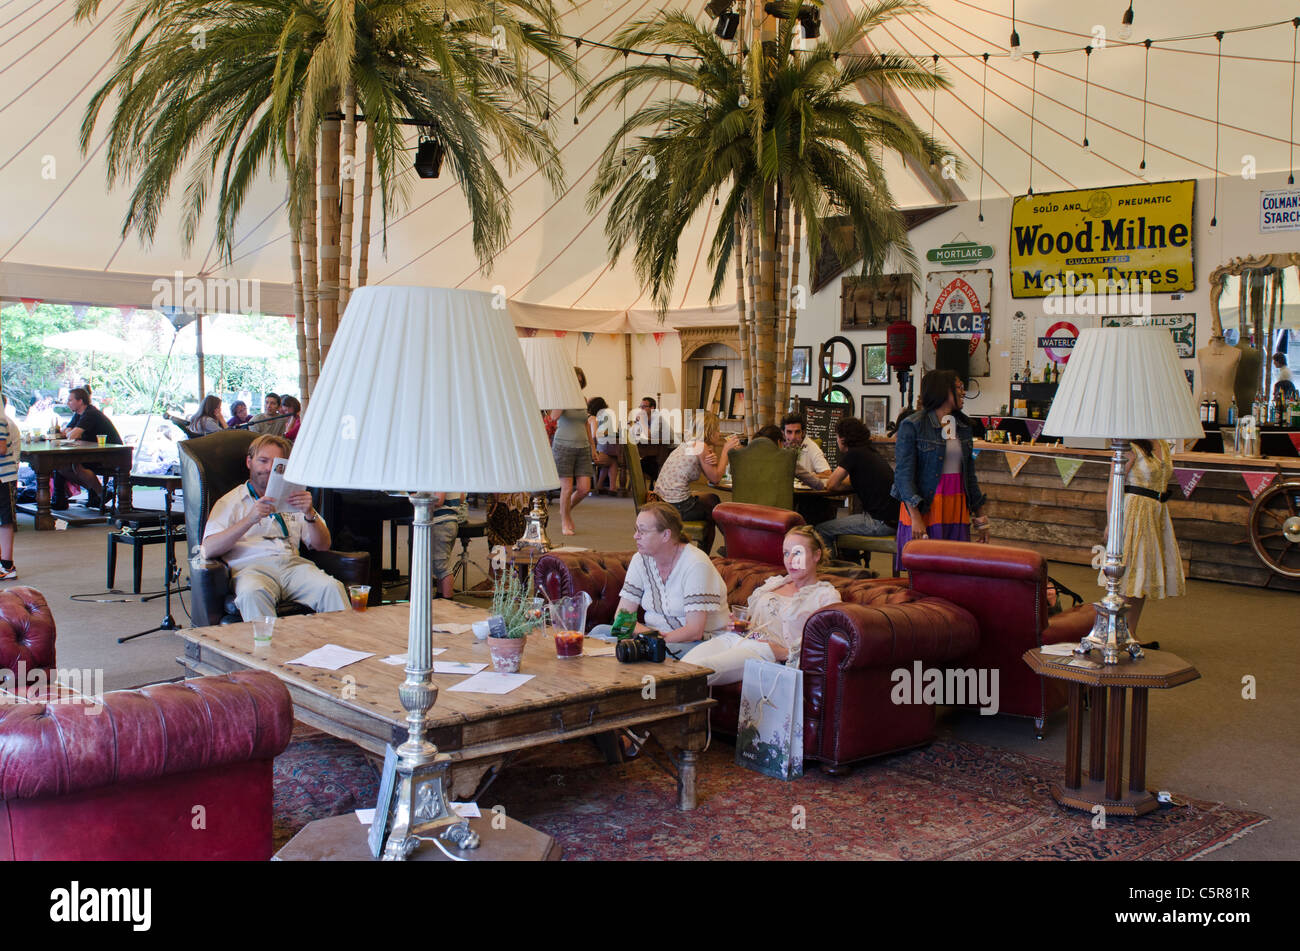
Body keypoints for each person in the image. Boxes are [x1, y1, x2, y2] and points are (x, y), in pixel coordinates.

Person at [200, 433, 348, 621]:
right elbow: (208, 549)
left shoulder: (294, 498)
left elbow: (322, 545)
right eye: (262, 461)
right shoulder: (231, 501)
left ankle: (346, 647)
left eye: (276, 464)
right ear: (249, 462)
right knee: (252, 593)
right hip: (251, 568)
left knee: (331, 588)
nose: (269, 468)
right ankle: (267, 650)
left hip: (293, 566)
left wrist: (310, 513)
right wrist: (249, 519)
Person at [681, 526, 840, 686]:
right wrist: (742, 625)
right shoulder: (774, 583)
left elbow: (824, 643)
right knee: (679, 669)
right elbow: (755, 623)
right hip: (736, 638)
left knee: (695, 674)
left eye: (797, 553)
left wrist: (784, 653)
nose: (790, 560)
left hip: (764, 652)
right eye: (786, 553)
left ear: (816, 555)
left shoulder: (825, 596)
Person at [588, 502, 730, 658]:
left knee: (661, 655)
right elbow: (623, 617)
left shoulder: (696, 563)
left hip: (696, 642)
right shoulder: (640, 559)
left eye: (642, 531)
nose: (635, 536)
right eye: (636, 530)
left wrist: (655, 642)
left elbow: (694, 631)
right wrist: (649, 638)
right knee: (598, 633)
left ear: (666, 535)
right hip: (653, 636)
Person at [891, 369, 988, 572]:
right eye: (959, 387)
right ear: (943, 391)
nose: (963, 392)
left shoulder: (963, 426)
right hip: (924, 505)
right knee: (923, 570)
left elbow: (969, 475)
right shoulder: (913, 425)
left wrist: (981, 518)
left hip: (955, 504)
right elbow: (903, 475)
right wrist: (916, 517)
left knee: (954, 569)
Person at [1101, 439, 1184, 639]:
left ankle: (1131, 631)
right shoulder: (1130, 445)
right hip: (1134, 512)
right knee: (1128, 574)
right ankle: (1113, 632)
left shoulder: (1162, 444)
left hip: (1156, 511)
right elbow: (1115, 483)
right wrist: (1111, 522)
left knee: (1143, 575)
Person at [653, 410, 739, 553]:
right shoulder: (701, 447)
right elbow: (716, 478)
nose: (719, 433)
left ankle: (726, 546)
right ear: (709, 431)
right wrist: (725, 451)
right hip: (676, 506)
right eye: (717, 429)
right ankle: (732, 545)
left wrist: (712, 460)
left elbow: (710, 473)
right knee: (714, 508)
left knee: (712, 500)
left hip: (663, 501)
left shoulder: (689, 444)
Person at [815, 416, 898, 547]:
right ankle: (848, 559)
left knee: (820, 530)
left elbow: (831, 484)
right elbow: (852, 480)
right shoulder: (869, 451)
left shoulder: (853, 454)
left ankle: (830, 566)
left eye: (836, 437)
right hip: (892, 520)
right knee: (840, 525)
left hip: (879, 522)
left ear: (842, 439)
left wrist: (833, 484)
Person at [52, 387, 122, 510]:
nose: (68, 403)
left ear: (80, 401)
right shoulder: (78, 414)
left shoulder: (90, 413)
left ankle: (101, 493)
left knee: (77, 466)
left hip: (112, 454)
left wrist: (70, 432)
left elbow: (72, 434)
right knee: (62, 467)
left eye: (70, 400)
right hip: (93, 453)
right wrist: (70, 432)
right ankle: (96, 492)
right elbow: (65, 432)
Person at [548, 367, 592, 536]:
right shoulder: (562, 397)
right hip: (563, 447)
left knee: (584, 489)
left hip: (583, 447)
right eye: (575, 381)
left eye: (580, 381)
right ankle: (565, 520)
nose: (578, 384)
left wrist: (592, 447)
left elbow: (586, 424)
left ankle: (564, 510)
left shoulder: (583, 399)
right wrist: (563, 396)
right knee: (567, 488)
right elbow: (553, 417)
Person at [431, 492, 466, 599]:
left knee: (442, 567)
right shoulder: (453, 476)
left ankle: (448, 601)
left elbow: (439, 500)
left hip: (441, 522)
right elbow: (462, 497)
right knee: (441, 564)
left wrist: (414, 496)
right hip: (450, 521)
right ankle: (440, 596)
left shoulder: (441, 475)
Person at [781, 413, 832, 486]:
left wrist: (810, 477)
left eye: (797, 432)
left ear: (803, 432)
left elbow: (828, 474)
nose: (793, 437)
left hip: (806, 495)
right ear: (783, 433)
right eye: (789, 432)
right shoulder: (779, 445)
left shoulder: (812, 448)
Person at [0, 406, 21, 580]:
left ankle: (7, 565)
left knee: (4, 520)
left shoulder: (1, 420)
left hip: (2, 476)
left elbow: (1, 448)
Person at [588, 396, 621, 495]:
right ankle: (612, 488)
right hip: (592, 450)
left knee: (610, 458)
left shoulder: (587, 417)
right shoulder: (593, 418)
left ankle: (600, 485)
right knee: (613, 460)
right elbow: (594, 435)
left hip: (588, 448)